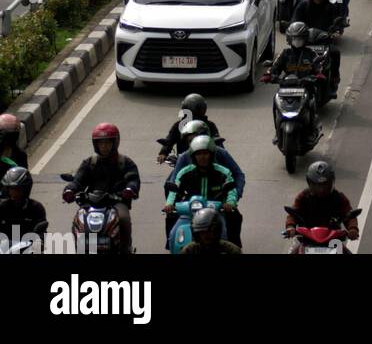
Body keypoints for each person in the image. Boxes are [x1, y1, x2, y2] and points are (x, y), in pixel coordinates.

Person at [164, 121, 245, 247]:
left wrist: (231, 202)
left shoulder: (223, 171)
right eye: (198, 154)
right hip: (190, 209)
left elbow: (232, 185)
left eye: (205, 153)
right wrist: (169, 204)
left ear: (211, 154)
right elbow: (175, 185)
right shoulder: (185, 169)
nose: (202, 157)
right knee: (174, 232)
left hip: (216, 210)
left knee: (229, 227)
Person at [63, 123, 140, 253]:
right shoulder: (90, 162)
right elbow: (78, 180)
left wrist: (130, 190)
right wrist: (70, 190)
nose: (104, 146)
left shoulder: (125, 162)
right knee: (79, 219)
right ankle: (79, 249)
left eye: (108, 143)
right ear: (96, 144)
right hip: (91, 202)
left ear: (115, 143)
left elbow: (133, 179)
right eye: (101, 143)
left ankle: (125, 249)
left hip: (116, 202)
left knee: (123, 218)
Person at [285, 159, 359, 246]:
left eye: (325, 185)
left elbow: (349, 215)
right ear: (310, 183)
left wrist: (352, 229)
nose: (321, 189)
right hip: (308, 239)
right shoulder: (303, 196)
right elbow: (293, 214)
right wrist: (290, 227)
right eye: (317, 185)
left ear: (332, 182)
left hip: (333, 240)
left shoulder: (338, 197)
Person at [268, 16, 339, 100]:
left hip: (306, 86)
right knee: (276, 99)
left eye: (299, 39)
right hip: (287, 86)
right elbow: (276, 66)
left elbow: (317, 65)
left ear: (305, 38)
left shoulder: (310, 53)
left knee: (334, 52)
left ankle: (333, 82)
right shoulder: (285, 53)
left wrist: (318, 73)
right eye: (294, 39)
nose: (297, 42)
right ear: (290, 39)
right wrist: (269, 74)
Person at [157, 94, 220, 162]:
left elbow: (217, 142)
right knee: (175, 173)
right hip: (183, 161)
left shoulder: (210, 125)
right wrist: (163, 153)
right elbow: (169, 141)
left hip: (207, 162)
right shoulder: (178, 125)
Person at [0, 166, 47, 251]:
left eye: (17, 189)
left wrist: (40, 242)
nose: (14, 192)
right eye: (11, 188)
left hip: (28, 250)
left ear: (26, 189)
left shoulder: (36, 208)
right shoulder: (2, 207)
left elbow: (42, 232)